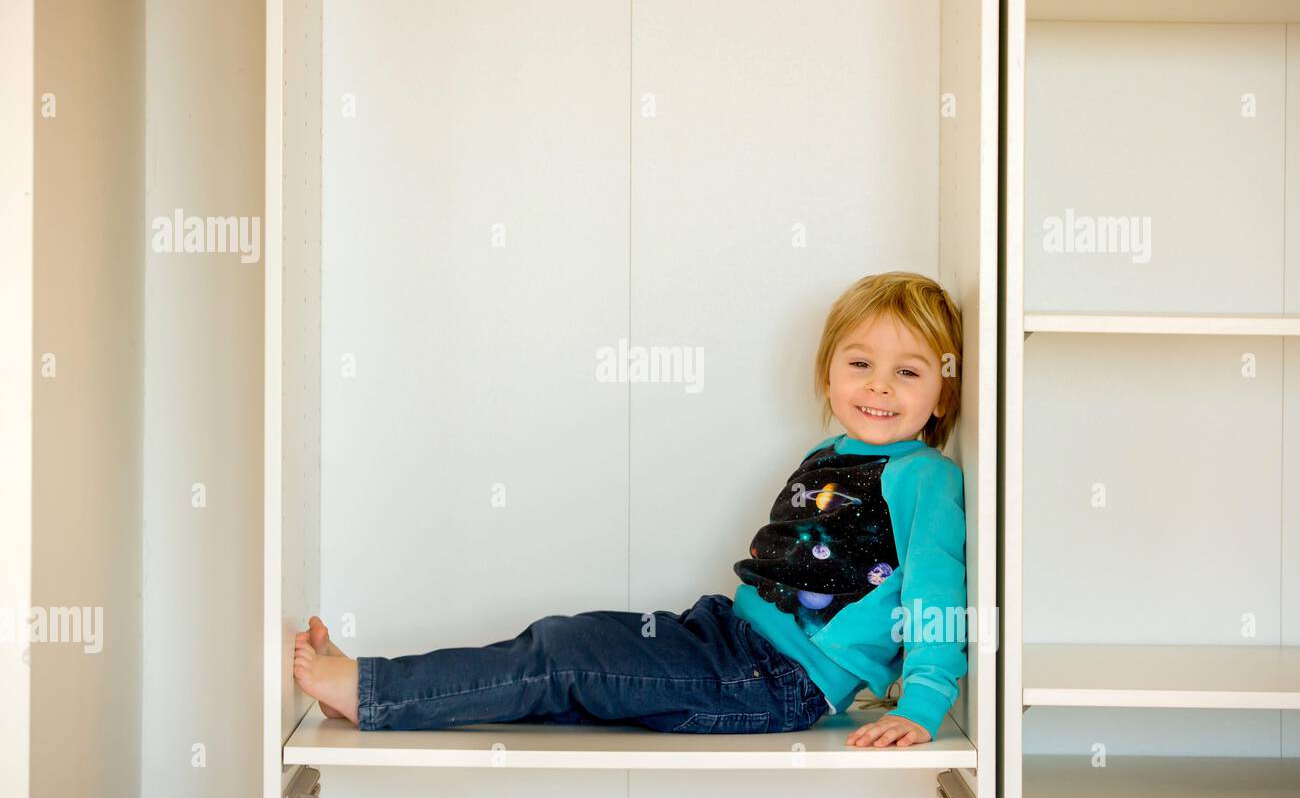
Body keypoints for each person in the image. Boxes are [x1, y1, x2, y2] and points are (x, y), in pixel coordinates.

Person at [293, 270, 968, 748]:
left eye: (908, 372)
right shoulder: (831, 450)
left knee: (565, 659)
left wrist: (925, 702)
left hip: (773, 681)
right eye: (860, 363)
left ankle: (374, 693)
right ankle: (387, 696)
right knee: (566, 647)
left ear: (940, 396)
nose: (879, 385)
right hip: (729, 639)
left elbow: (938, 590)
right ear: (828, 373)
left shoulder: (924, 477)